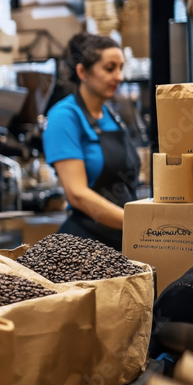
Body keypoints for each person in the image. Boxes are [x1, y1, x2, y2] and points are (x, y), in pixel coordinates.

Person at [44, 33, 140, 251]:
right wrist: (140, 225)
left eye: (120, 68)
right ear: (82, 72)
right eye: (109, 68)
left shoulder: (111, 116)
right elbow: (77, 194)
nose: (119, 77)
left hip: (124, 240)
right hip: (85, 245)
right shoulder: (64, 116)